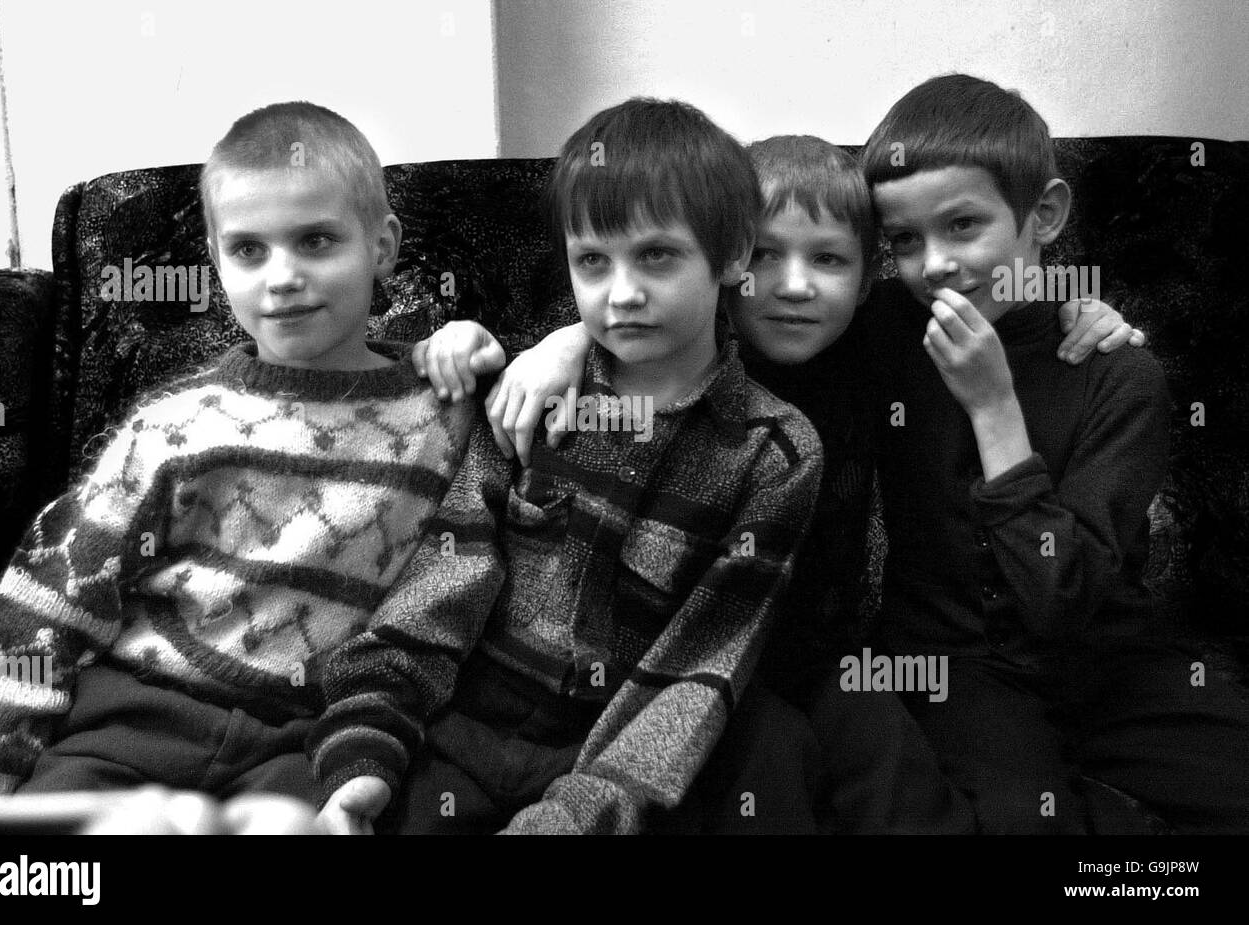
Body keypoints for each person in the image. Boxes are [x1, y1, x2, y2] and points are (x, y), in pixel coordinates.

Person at [443, 129, 1143, 832]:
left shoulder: (885, 337)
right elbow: (619, 308)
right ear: (728, 261)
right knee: (765, 761)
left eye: (828, 259)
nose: (793, 285)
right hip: (688, 655)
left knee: (882, 749)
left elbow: (992, 298)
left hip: (820, 653)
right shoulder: (685, 351)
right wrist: (560, 342)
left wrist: (1074, 306)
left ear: (869, 277)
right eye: (765, 257)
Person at [0, 102, 489, 820]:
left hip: (303, 744)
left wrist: (486, 351)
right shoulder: (174, 427)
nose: (283, 276)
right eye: (249, 250)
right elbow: (47, 602)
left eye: (317, 241)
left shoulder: (446, 410)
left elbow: (568, 398)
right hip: (135, 720)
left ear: (383, 247)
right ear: (217, 263)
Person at [311, 97, 824, 835]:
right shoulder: (527, 394)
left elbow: (693, 672)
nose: (621, 293)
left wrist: (576, 815)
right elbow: (440, 583)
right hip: (463, 723)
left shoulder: (775, 453)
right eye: (593, 261)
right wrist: (366, 749)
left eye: (656, 255)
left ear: (734, 252)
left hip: (609, 757)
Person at [859, 73, 1249, 833]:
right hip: (956, 665)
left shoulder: (1113, 370)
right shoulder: (883, 334)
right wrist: (568, 346)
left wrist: (998, 405)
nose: (933, 264)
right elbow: (748, 316)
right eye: (904, 241)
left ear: (1045, 214)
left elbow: (1062, 595)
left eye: (963, 225)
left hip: (1110, 659)